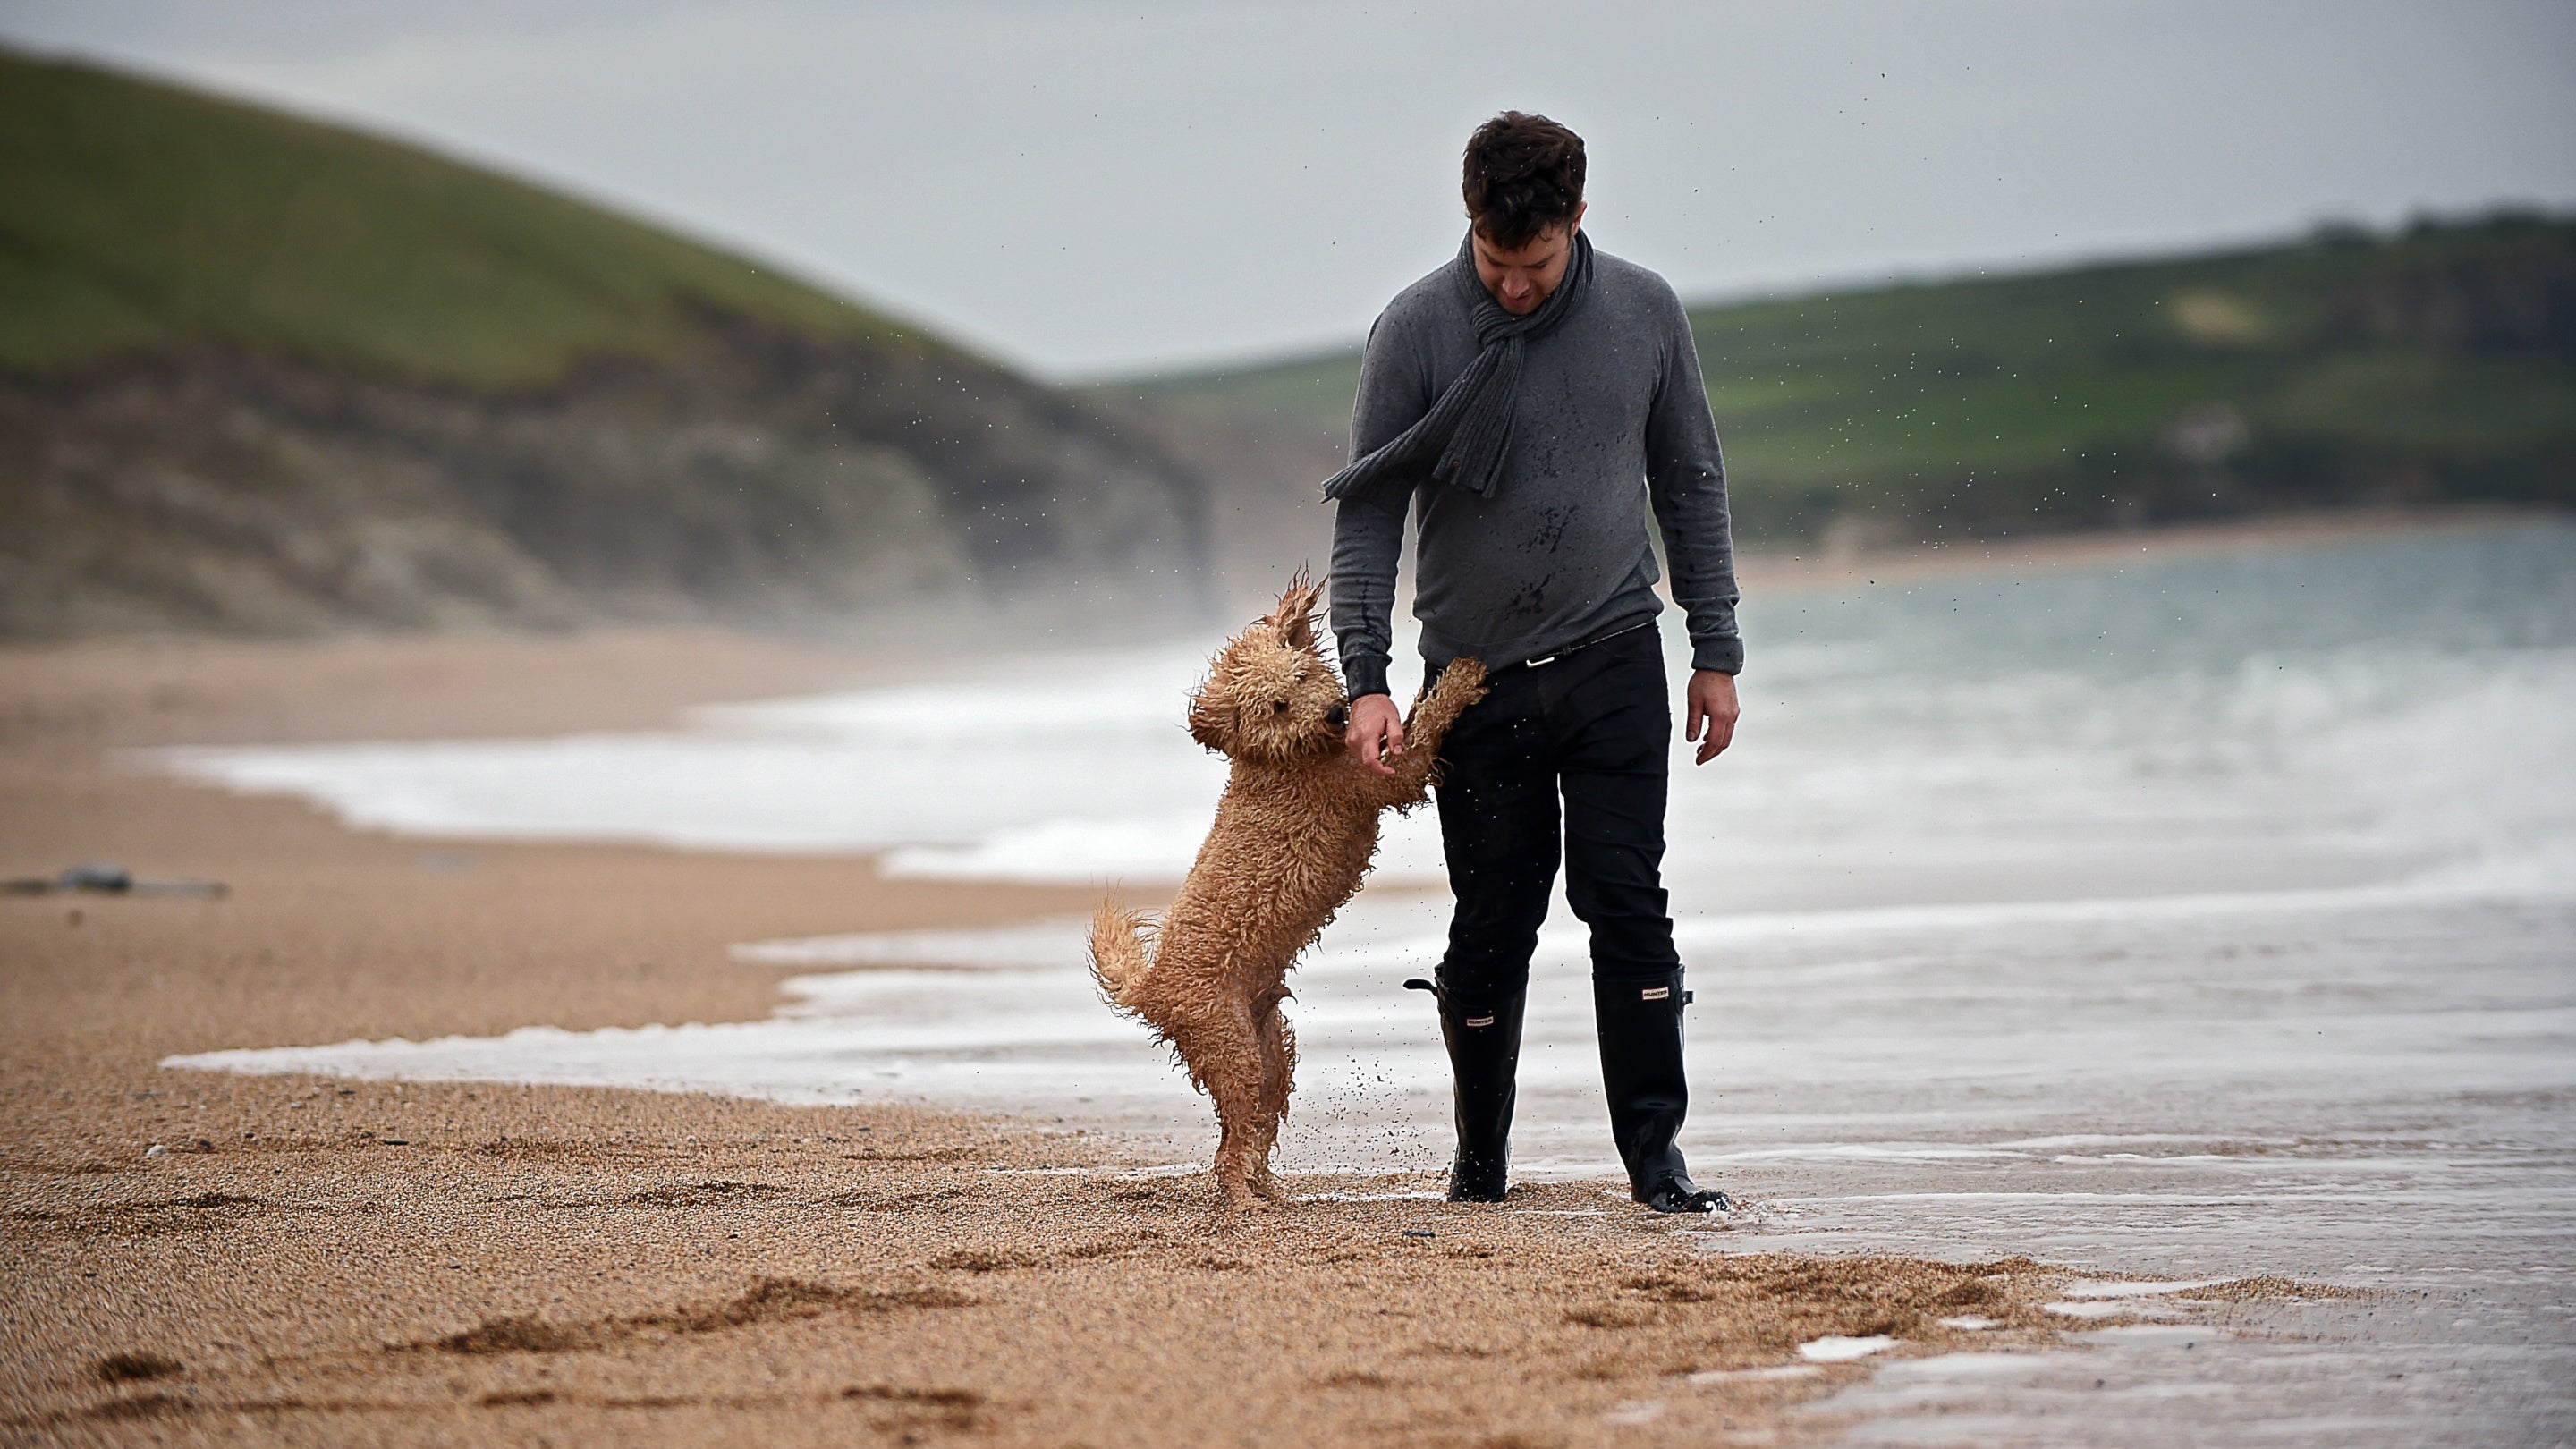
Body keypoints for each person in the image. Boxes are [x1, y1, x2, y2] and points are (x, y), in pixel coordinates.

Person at [1327, 111, 1741, 1214]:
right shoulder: (1412, 331)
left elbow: (1689, 482)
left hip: (1614, 655)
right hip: (1474, 685)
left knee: (1627, 901)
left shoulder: (1644, 312)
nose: (1515, 287)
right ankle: (1480, 1167)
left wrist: (1715, 647)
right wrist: (1365, 677)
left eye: (1538, 263)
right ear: (1470, 223)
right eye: (1496, 263)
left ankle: (1658, 1166)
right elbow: (1367, 514)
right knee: (1495, 922)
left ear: (1579, 220)